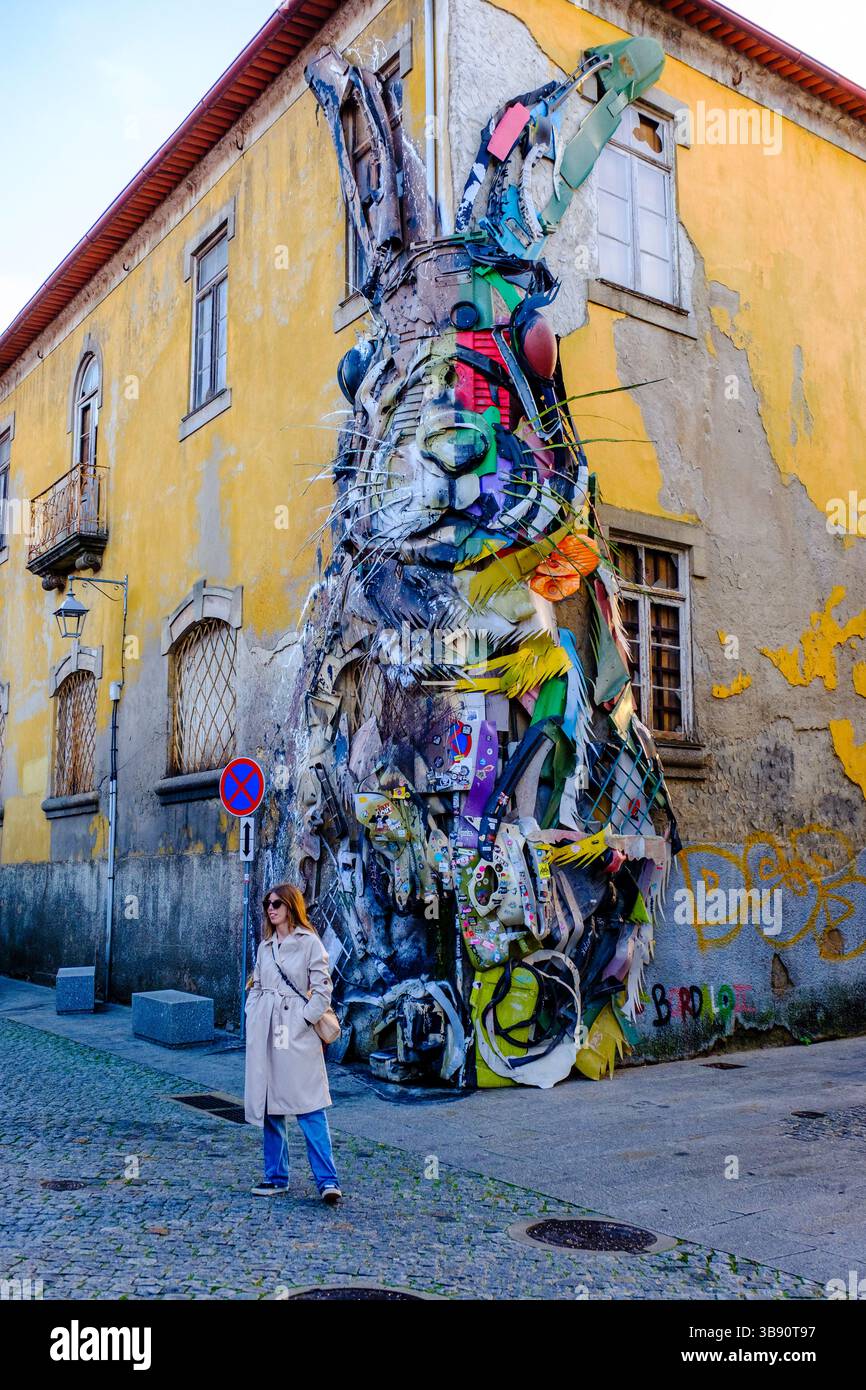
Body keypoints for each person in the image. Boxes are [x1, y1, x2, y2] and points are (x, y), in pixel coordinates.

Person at [244, 882, 342, 1204]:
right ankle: (276, 1177)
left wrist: (302, 1020)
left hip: (296, 1033)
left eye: (276, 904)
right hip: (268, 1030)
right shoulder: (265, 947)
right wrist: (253, 1012)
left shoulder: (309, 943)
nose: (270, 909)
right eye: (267, 904)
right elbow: (256, 985)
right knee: (272, 1104)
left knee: (309, 1106)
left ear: (290, 906)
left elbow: (323, 989)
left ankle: (327, 1181)